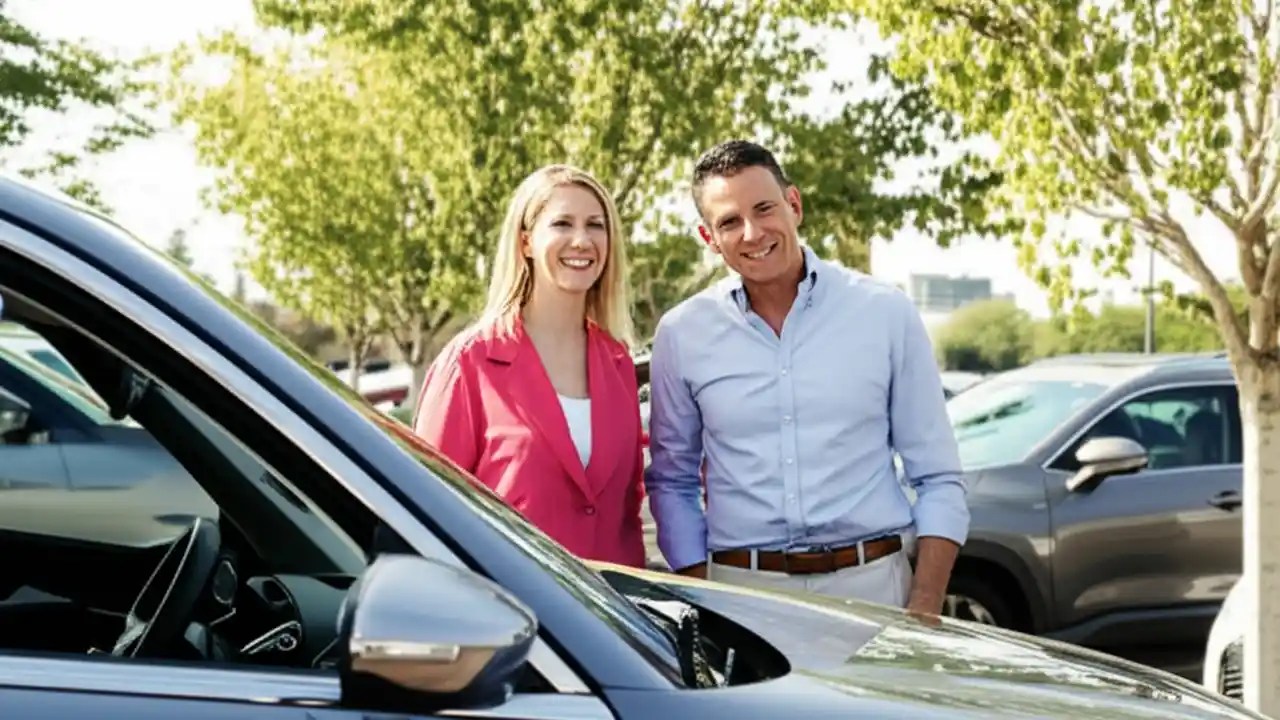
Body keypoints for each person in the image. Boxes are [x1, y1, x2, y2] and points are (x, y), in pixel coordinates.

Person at [644, 139, 969, 614]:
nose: (753, 232)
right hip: (743, 598)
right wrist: (705, 600)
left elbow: (939, 476)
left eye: (764, 208)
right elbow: (672, 482)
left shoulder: (884, 312)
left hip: (876, 589)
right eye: (730, 221)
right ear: (708, 238)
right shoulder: (681, 334)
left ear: (793, 205)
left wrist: (923, 608)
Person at [413, 164, 646, 568]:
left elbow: (626, 509)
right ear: (525, 242)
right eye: (562, 223)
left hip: (610, 619)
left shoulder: (619, 362)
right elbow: (425, 512)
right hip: (509, 616)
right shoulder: (468, 364)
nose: (582, 240)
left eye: (595, 225)